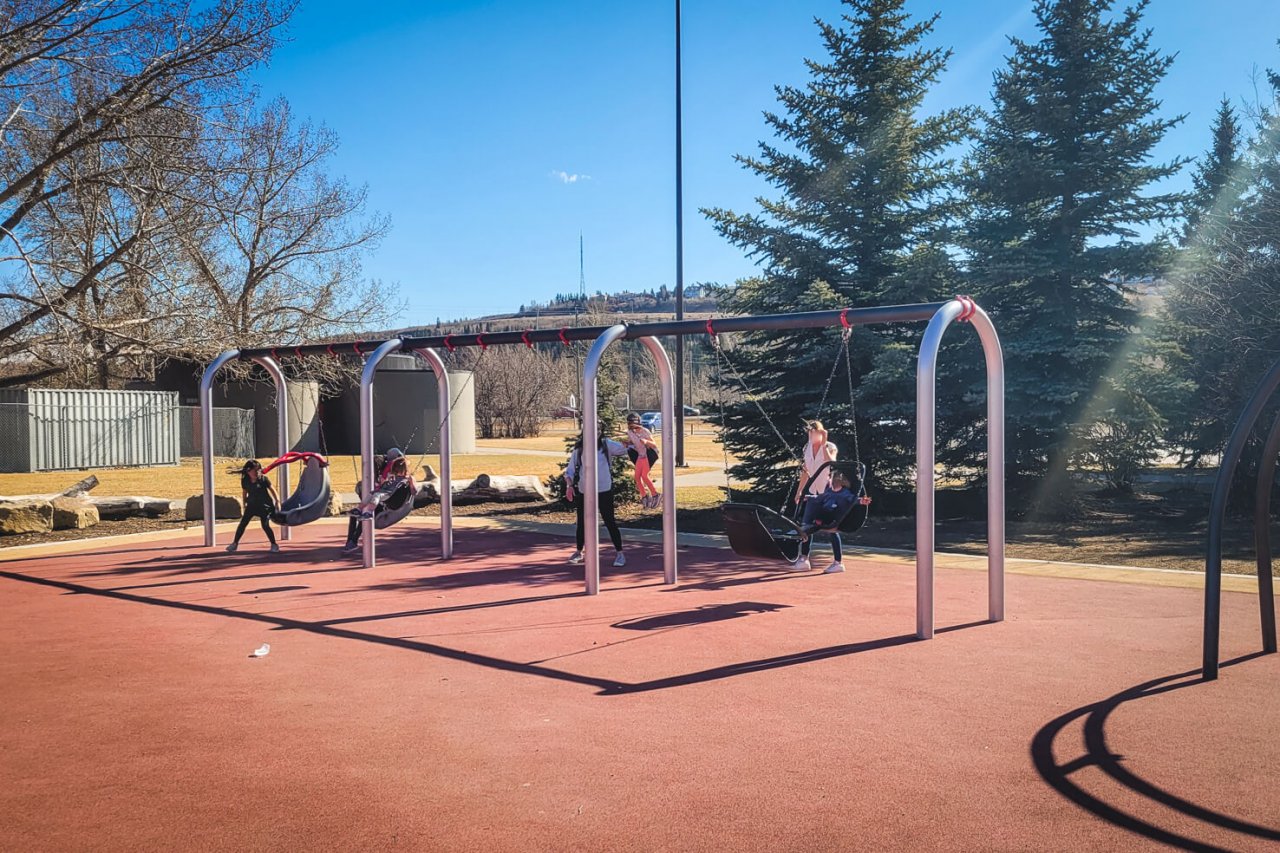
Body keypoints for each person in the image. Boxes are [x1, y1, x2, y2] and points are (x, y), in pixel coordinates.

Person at [564, 426, 630, 567]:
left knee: (609, 521)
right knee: (581, 522)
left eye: (599, 429)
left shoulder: (606, 444)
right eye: (593, 429)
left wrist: (636, 440)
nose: (596, 432)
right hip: (584, 491)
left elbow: (626, 449)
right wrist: (569, 486)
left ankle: (620, 554)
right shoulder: (580, 448)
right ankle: (578, 551)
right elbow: (569, 470)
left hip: (603, 490)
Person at [341, 448, 415, 553]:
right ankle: (350, 541)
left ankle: (354, 540)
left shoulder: (406, 478)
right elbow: (382, 485)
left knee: (366, 511)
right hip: (381, 499)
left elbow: (410, 492)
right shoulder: (387, 472)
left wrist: (410, 483)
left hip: (389, 503)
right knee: (355, 515)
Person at [795, 469, 857, 573]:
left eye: (832, 479)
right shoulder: (829, 491)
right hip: (824, 513)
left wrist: (862, 501)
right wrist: (808, 497)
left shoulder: (844, 493)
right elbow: (819, 497)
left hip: (834, 515)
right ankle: (804, 558)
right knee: (809, 526)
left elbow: (853, 499)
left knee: (832, 531)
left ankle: (838, 562)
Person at [226, 459, 279, 553]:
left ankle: (274, 544)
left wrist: (277, 501)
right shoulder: (245, 480)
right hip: (252, 505)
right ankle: (234, 544)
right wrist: (244, 504)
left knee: (265, 525)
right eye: (255, 470)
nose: (257, 472)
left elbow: (273, 490)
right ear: (248, 471)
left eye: (259, 470)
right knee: (242, 524)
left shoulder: (263, 479)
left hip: (265, 506)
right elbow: (244, 492)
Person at [794, 419, 838, 507]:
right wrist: (799, 491)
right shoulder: (807, 448)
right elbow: (805, 471)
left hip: (827, 487)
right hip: (812, 489)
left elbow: (831, 462)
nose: (811, 435)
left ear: (820, 433)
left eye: (813, 432)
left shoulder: (830, 446)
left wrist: (823, 444)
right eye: (809, 432)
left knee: (825, 515)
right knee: (810, 517)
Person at [624, 412, 661, 509]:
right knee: (637, 477)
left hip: (649, 455)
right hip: (640, 456)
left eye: (634, 426)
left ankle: (656, 494)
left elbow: (654, 444)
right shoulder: (630, 432)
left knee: (644, 476)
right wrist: (627, 443)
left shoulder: (645, 431)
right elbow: (633, 441)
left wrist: (646, 441)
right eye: (630, 426)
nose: (633, 429)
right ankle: (644, 496)